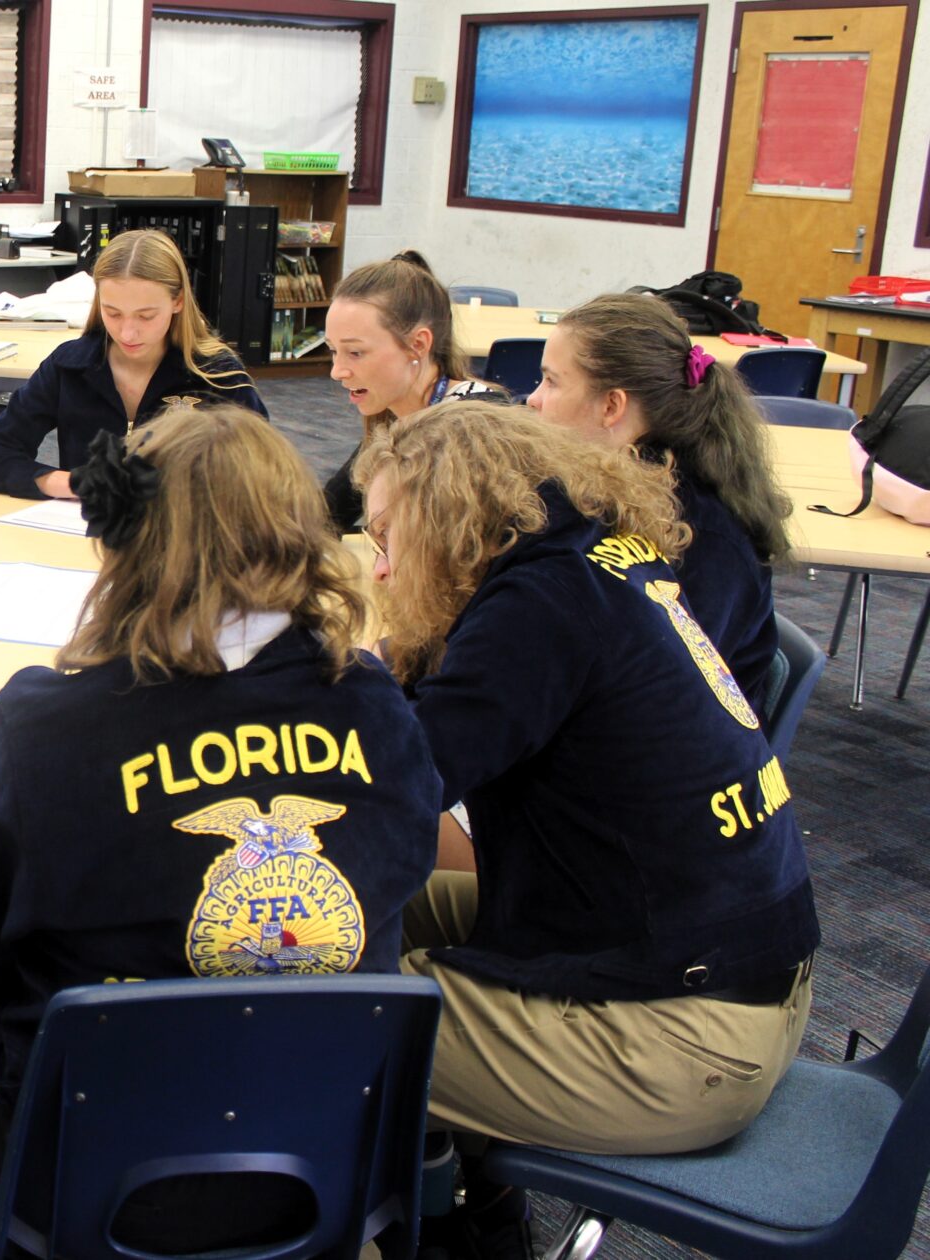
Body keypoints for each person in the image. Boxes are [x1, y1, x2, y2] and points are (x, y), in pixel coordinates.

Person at [0, 404, 441, 1250]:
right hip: (328, 1162)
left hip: (92, 1172)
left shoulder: (44, 726)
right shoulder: (376, 704)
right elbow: (399, 883)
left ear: (121, 541)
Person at [355, 403, 818, 1260]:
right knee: (356, 914)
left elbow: (393, 792)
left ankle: (449, 1231)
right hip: (719, 960)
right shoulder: (590, 556)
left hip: (687, 1032)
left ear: (453, 523)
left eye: (389, 536)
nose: (380, 572)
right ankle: (468, 1208)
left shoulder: (539, 609)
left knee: (309, 1006)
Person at [528, 292, 791, 706]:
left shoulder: (705, 534)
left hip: (676, 752)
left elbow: (667, 689)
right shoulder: (594, 485)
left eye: (552, 381)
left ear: (612, 405)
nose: (533, 399)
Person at [0, 229, 267, 498]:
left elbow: (264, 478)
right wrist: (72, 484)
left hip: (186, 546)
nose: (127, 333)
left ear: (178, 302)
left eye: (146, 316)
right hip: (86, 541)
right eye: (113, 313)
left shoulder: (220, 376)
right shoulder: (71, 366)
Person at [321, 250, 507, 530]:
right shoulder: (394, 417)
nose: (337, 371)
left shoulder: (479, 425)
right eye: (334, 351)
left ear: (418, 345)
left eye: (356, 352)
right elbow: (328, 514)